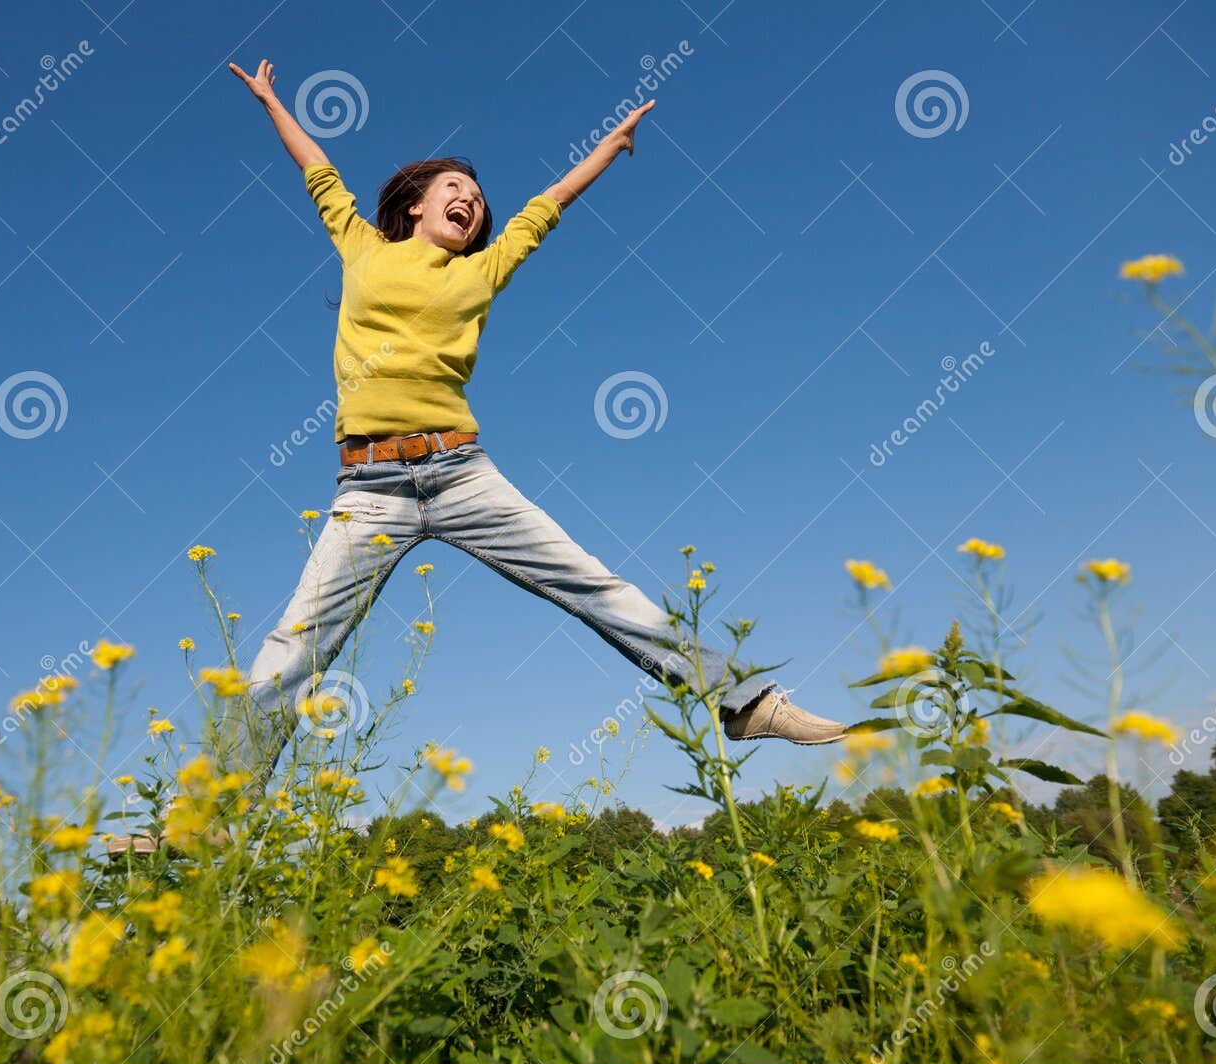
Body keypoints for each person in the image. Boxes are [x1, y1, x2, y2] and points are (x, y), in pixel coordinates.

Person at [227, 58, 847, 775]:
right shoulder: (361, 245)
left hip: (460, 474)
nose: (470, 200)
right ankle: (205, 816)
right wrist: (272, 100)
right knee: (295, 643)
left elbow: (547, 204)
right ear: (416, 207)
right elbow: (318, 168)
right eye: (453, 188)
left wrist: (609, 148)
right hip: (369, 490)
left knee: (593, 583)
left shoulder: (480, 271)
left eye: (478, 198)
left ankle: (744, 702)